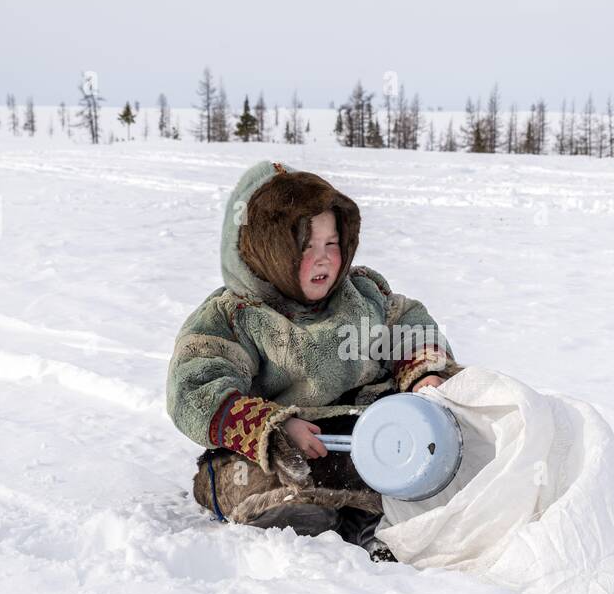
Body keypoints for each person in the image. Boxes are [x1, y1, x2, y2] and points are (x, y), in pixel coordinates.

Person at [166, 160, 465, 561]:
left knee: (421, 457)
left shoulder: (362, 298)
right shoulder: (235, 315)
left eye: (332, 244)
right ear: (270, 250)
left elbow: (410, 328)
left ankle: (375, 524)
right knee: (254, 479)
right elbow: (195, 387)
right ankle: (301, 516)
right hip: (276, 444)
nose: (323, 259)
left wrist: (425, 374)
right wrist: (272, 426)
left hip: (363, 435)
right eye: (305, 247)